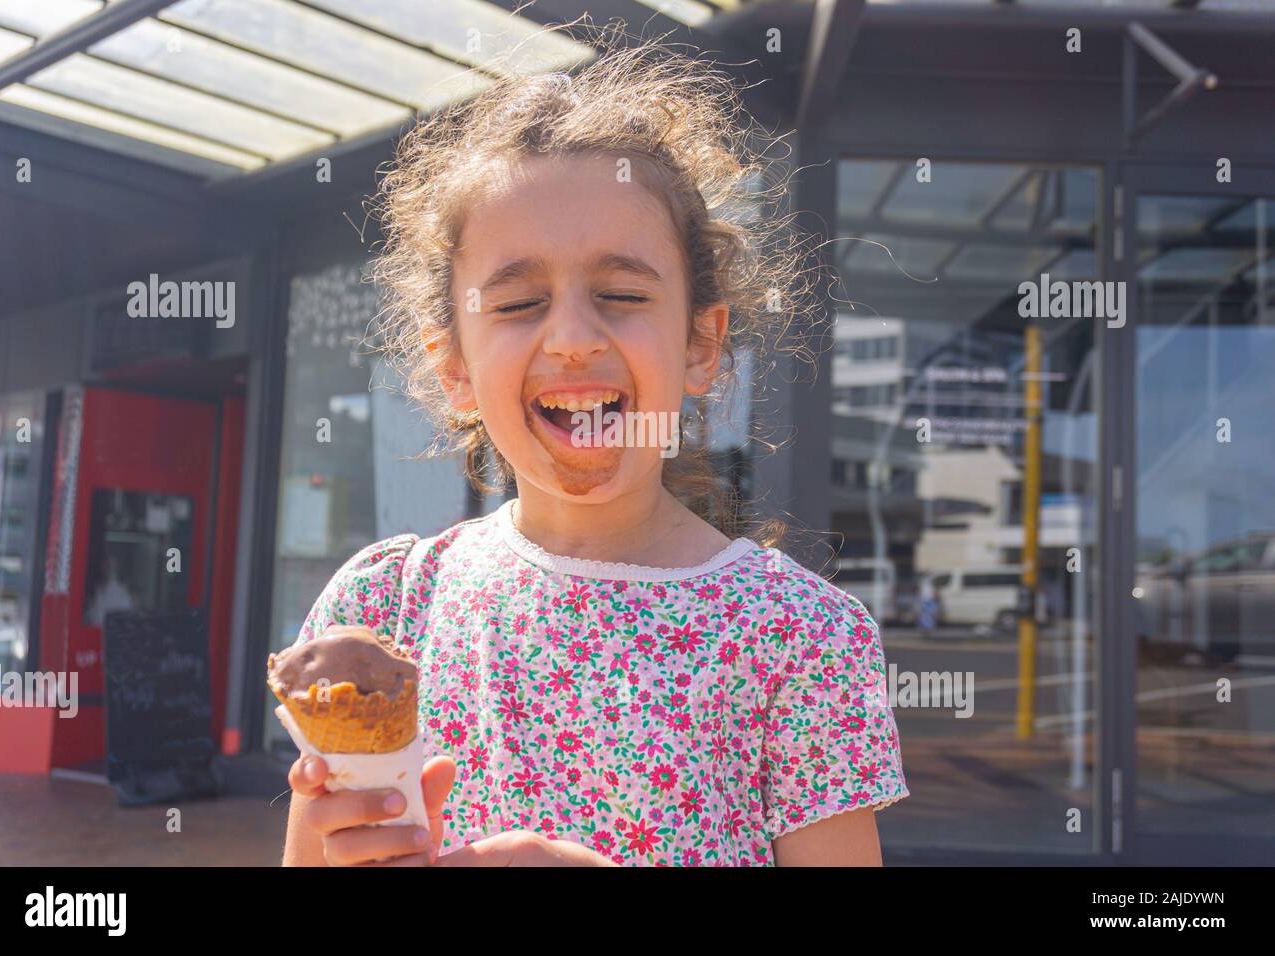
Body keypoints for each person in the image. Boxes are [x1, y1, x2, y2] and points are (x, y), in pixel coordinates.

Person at [281, 29, 909, 867]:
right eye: (515, 304)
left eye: (620, 293)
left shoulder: (799, 637)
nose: (573, 338)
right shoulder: (385, 611)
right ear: (455, 365)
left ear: (700, 344)